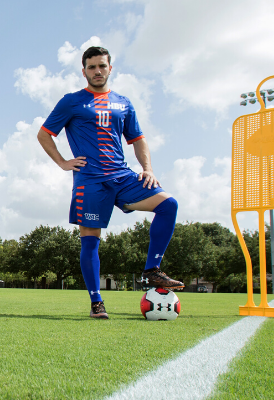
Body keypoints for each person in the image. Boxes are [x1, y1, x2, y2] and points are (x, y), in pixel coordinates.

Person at [36, 46, 183, 319]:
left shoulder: (124, 103)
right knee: (90, 242)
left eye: (102, 66)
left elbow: (138, 139)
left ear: (110, 68)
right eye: (91, 67)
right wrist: (62, 162)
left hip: (123, 176)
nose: (97, 71)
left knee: (168, 204)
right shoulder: (71, 101)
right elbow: (44, 134)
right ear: (84, 71)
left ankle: (152, 270)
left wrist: (147, 169)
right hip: (90, 181)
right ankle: (96, 302)